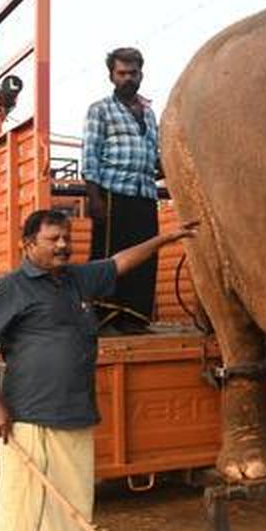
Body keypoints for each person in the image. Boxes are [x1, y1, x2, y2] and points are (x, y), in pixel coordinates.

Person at [0, 208, 195, 531]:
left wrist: (167, 238)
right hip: (31, 419)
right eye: (53, 239)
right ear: (28, 244)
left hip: (75, 417)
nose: (63, 246)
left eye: (66, 238)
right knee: (25, 519)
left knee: (72, 517)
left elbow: (122, 262)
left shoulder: (76, 281)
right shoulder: (10, 289)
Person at [82, 47, 162, 334]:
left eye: (133, 73)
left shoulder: (150, 113)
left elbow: (155, 154)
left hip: (145, 193)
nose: (128, 78)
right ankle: (106, 321)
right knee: (110, 256)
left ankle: (135, 320)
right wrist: (94, 197)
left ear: (141, 74)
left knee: (146, 255)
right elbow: (90, 154)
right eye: (122, 73)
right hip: (112, 192)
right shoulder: (100, 109)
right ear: (111, 76)